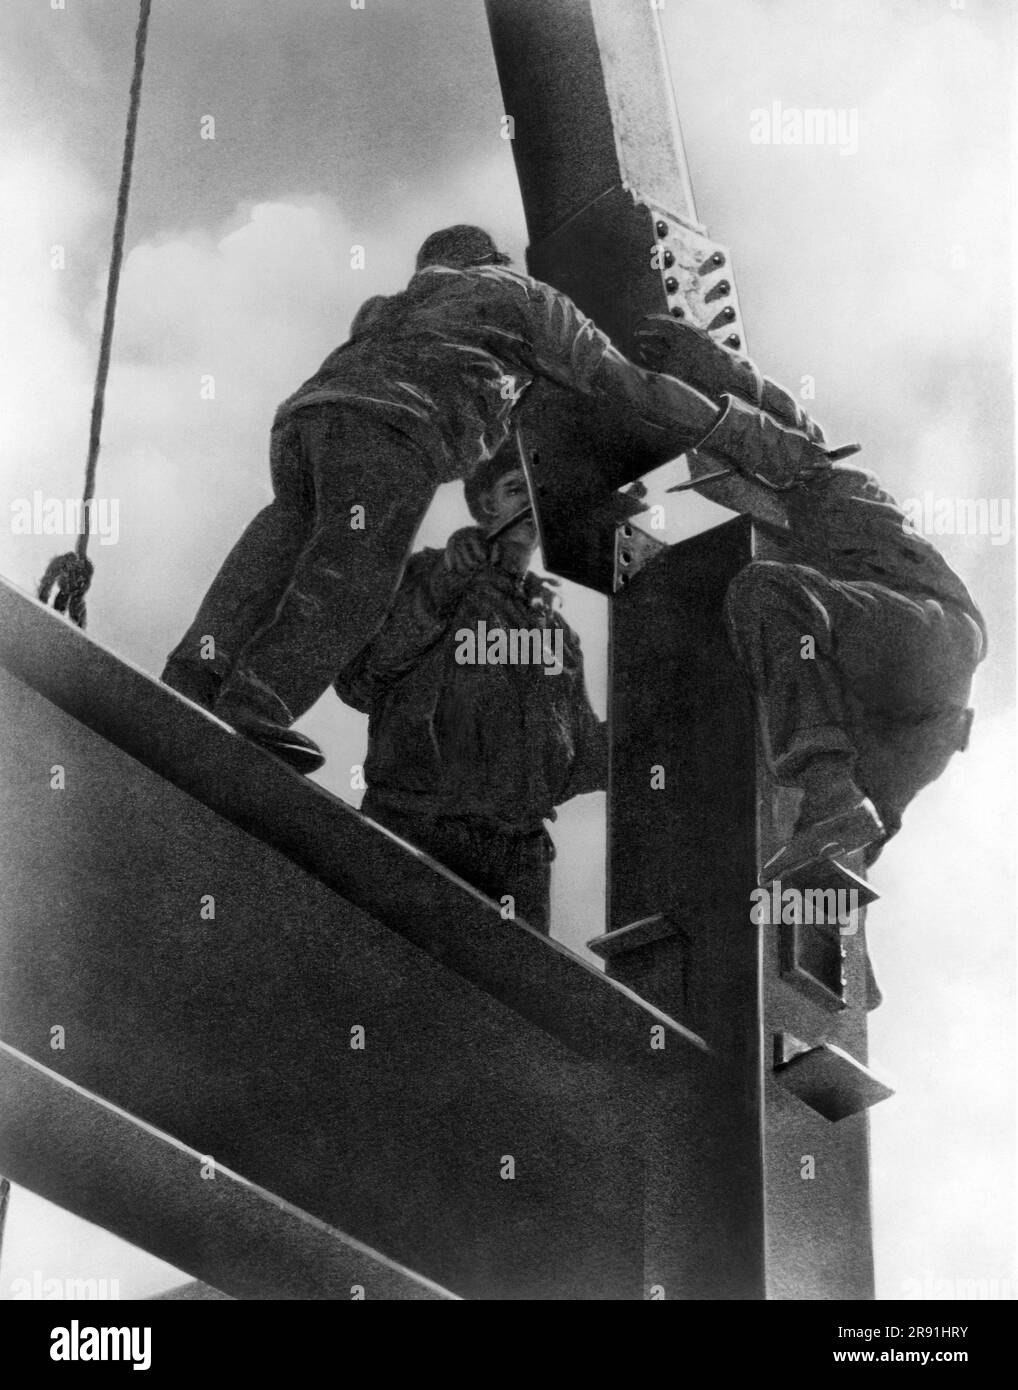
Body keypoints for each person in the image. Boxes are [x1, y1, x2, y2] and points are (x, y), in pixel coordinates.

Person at [161, 224, 833, 772]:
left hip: (306, 423)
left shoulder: (392, 308)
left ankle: (193, 673)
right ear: (494, 261)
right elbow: (624, 385)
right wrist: (745, 430)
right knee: (355, 568)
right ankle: (259, 700)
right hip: (397, 428)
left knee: (278, 542)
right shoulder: (521, 297)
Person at [635, 315, 987, 883]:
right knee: (841, 860)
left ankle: (827, 789)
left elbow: (774, 428)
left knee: (768, 594)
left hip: (930, 639)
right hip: (917, 728)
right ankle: (837, 819)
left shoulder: (819, 478)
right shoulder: (810, 535)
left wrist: (701, 368)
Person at [334, 450, 606, 934]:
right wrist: (444, 585)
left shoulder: (559, 634)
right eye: (515, 489)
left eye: (541, 495)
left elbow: (578, 760)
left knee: (515, 1004)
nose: (530, 506)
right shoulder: (424, 574)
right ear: (486, 504)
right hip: (419, 828)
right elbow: (360, 681)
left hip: (519, 861)